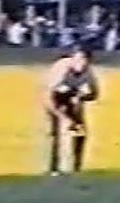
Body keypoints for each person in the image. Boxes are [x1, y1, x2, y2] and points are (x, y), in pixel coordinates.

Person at [42, 46, 100, 175]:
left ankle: (76, 166)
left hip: (71, 97)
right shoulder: (60, 70)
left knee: (80, 130)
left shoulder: (88, 72)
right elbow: (48, 98)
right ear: (73, 58)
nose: (81, 64)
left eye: (85, 60)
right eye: (78, 59)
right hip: (54, 97)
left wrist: (82, 96)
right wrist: (63, 118)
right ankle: (53, 167)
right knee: (55, 132)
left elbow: (95, 94)